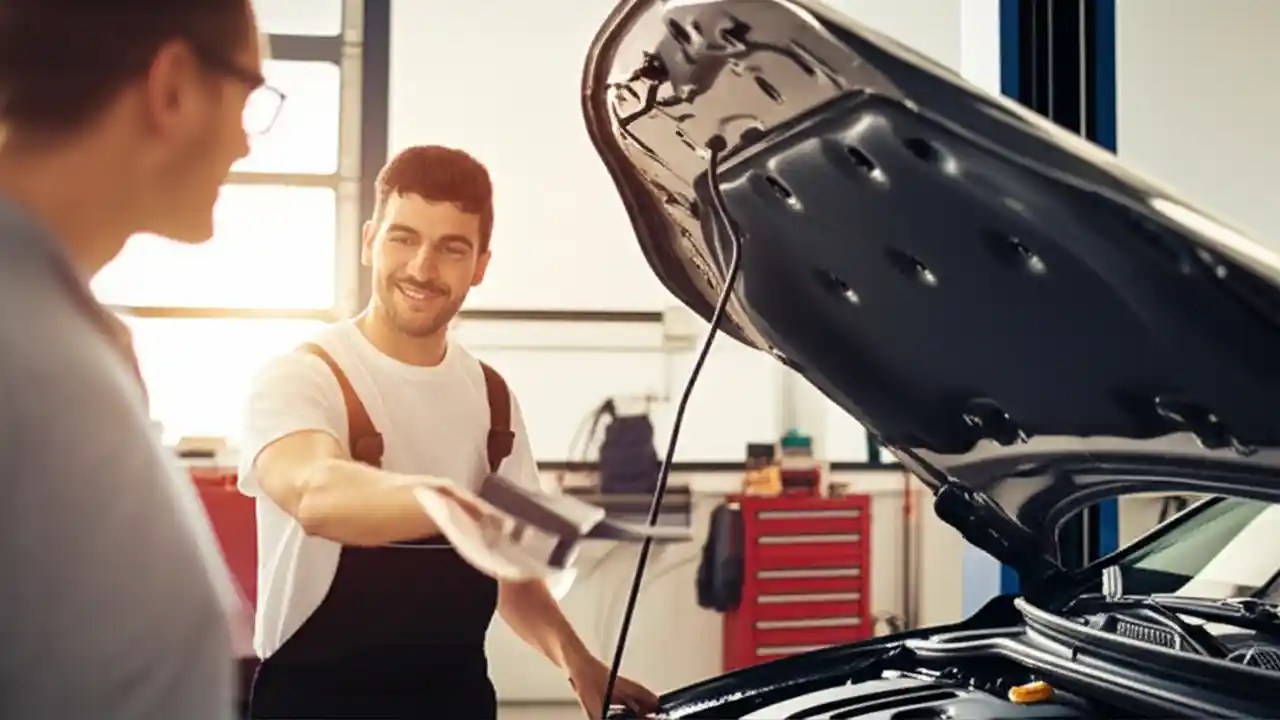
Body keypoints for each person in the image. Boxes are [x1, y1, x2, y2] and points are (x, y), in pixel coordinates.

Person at [238, 145, 661, 719]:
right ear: (369, 241)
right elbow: (314, 493)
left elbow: (513, 575)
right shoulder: (303, 376)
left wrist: (579, 662)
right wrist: (444, 504)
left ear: (481, 265)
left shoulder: (492, 400)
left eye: (451, 248)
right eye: (403, 238)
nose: (421, 268)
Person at [0, 1, 272, 718]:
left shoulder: (72, 342)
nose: (245, 144)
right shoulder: (33, 364)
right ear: (173, 87)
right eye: (248, 97)